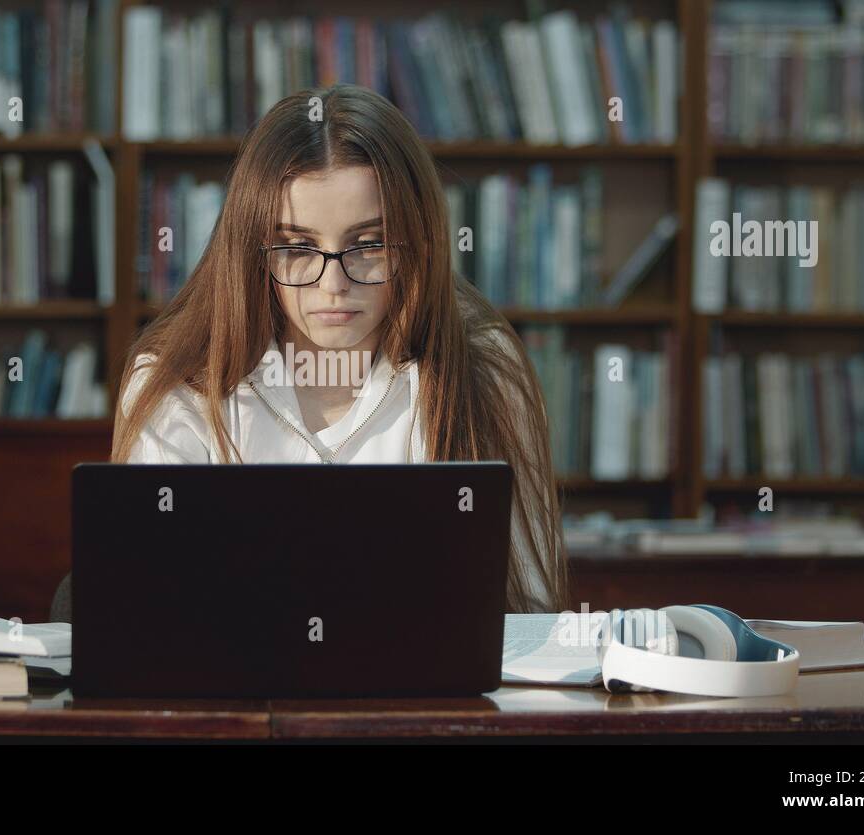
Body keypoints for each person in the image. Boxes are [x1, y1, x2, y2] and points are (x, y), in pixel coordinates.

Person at [51, 84, 567, 623]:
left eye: (369, 245)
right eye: (297, 249)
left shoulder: (483, 368)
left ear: (419, 243)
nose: (333, 285)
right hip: (232, 702)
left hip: (425, 705)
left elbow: (528, 618)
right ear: (252, 249)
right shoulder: (177, 380)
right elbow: (146, 619)